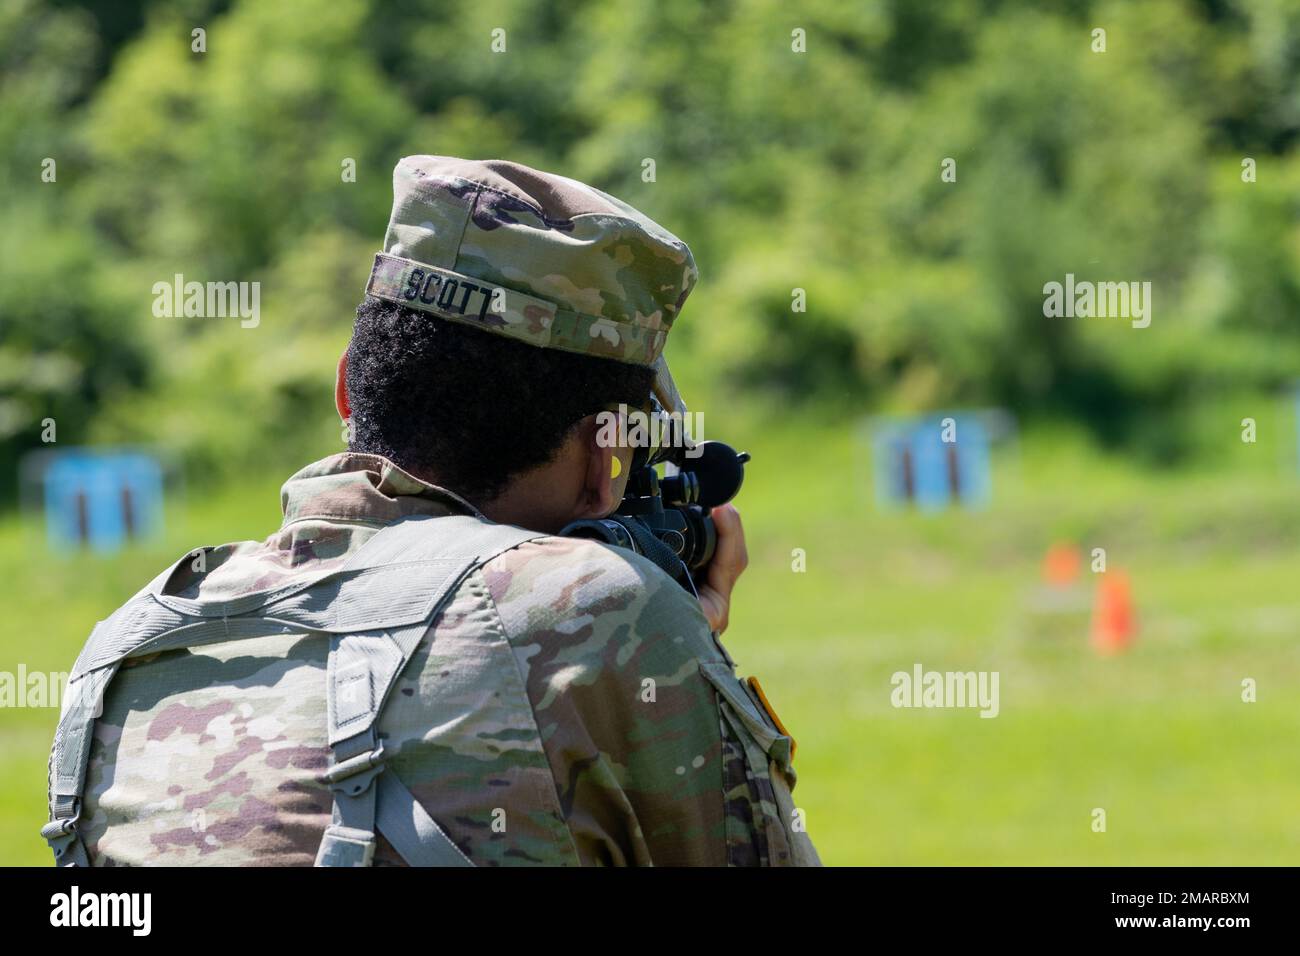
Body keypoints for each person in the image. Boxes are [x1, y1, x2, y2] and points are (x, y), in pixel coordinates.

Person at [43, 156, 820, 867]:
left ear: (347, 388)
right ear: (606, 459)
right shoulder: (604, 614)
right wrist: (669, 646)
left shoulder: (126, 648)